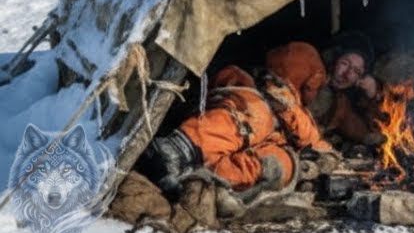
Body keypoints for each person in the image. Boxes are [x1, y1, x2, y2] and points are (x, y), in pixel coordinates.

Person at [140, 41, 335, 200]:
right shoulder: (251, 82)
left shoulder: (298, 109)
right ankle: (179, 148)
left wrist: (326, 158)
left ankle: (202, 181)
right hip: (240, 115)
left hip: (270, 143)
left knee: (280, 164)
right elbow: (228, 82)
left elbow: (311, 140)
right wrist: (279, 97)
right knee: (257, 114)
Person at [308, 31, 384, 145]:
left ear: (359, 80)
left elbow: (370, 132)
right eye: (345, 63)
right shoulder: (309, 70)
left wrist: (372, 95)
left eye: (356, 71)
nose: (347, 74)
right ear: (333, 62)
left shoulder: (343, 103)